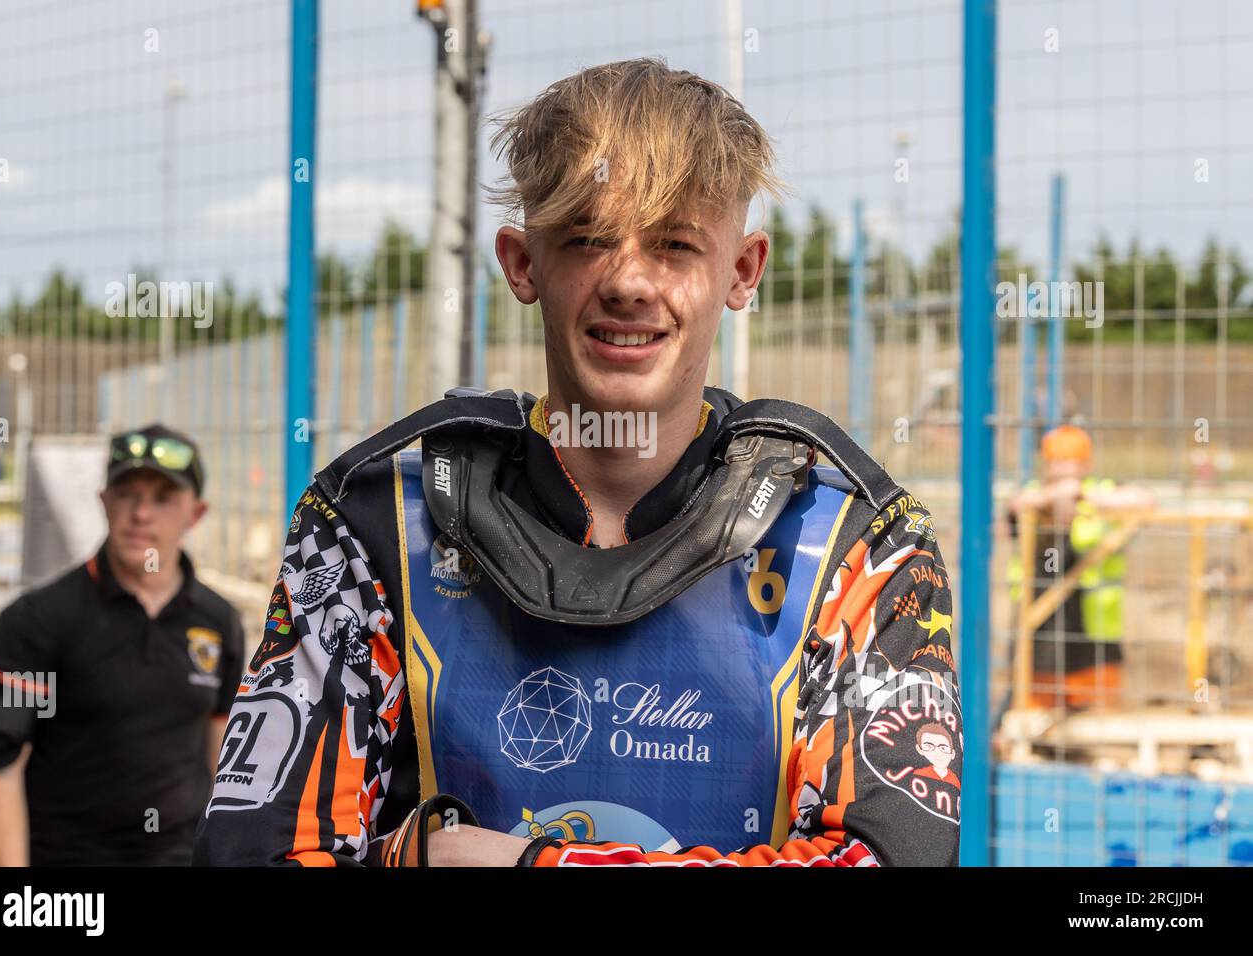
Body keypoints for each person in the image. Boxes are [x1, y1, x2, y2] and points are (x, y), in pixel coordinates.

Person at [195, 57, 962, 868]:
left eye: (674, 245)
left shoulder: (859, 546)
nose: (629, 282)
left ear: (742, 272)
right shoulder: (373, 526)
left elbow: (890, 858)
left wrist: (495, 862)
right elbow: (253, 853)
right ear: (524, 265)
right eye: (590, 240)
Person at [0, 424, 245, 865]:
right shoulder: (32, 620)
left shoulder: (220, 621)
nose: (141, 513)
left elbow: (222, 760)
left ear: (196, 513)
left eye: (163, 497)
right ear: (103, 502)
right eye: (127, 493)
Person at [1006, 424, 1155, 710]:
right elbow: (1015, 506)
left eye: (1070, 462)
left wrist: (1082, 497)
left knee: (1097, 719)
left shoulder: (1104, 491)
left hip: (1092, 631)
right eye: (1056, 462)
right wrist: (1053, 497)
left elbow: (1145, 499)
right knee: (1036, 709)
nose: (1062, 470)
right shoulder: (1035, 493)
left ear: (1087, 464)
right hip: (1039, 628)